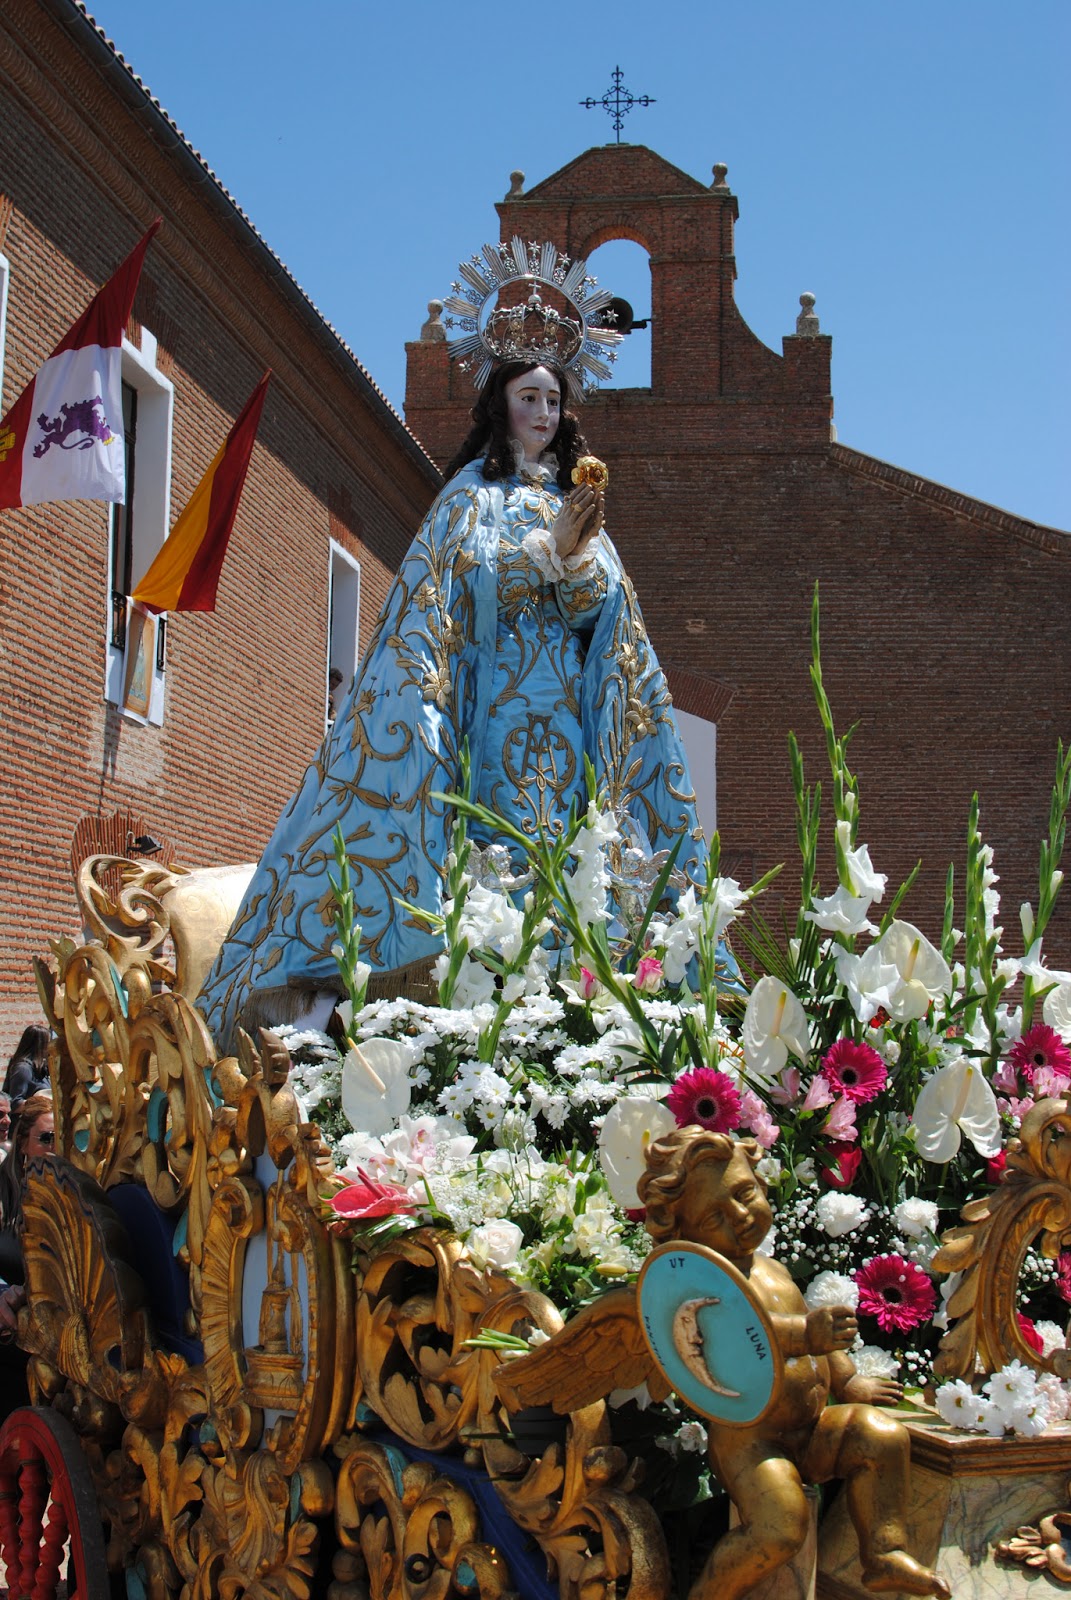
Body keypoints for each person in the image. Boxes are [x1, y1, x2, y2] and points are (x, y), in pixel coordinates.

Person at [198, 354, 705, 1047]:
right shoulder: (471, 495)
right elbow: (454, 592)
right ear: (501, 408)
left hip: (563, 717)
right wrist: (542, 554)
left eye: (553, 401)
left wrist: (581, 562)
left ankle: (572, 1001)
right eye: (529, 397)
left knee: (569, 850)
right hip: (488, 714)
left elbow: (606, 618)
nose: (543, 413)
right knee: (495, 849)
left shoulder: (573, 503)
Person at [638, 1129, 949, 1600]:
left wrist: (848, 1381)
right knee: (782, 1527)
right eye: (714, 1216)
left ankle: (884, 1555)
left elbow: (815, 1336)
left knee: (880, 1436)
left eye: (744, 1194)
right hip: (752, 1445)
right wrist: (805, 1335)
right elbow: (738, 1336)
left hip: (812, 1428)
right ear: (682, 1233)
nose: (741, 1217)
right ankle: (707, 1594)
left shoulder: (774, 1269)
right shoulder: (700, 1290)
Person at [0, 1095, 56, 1415]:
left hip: (53, 1339)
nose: (55, 1147)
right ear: (23, 1144)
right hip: (9, 1338)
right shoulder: (3, 1192)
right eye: (46, 1138)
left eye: (61, 1138)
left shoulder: (73, 1195)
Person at [3, 1024, 49, 1108]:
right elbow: (14, 1103)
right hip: (25, 1120)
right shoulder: (23, 1068)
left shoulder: (41, 1069)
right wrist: (42, 1104)